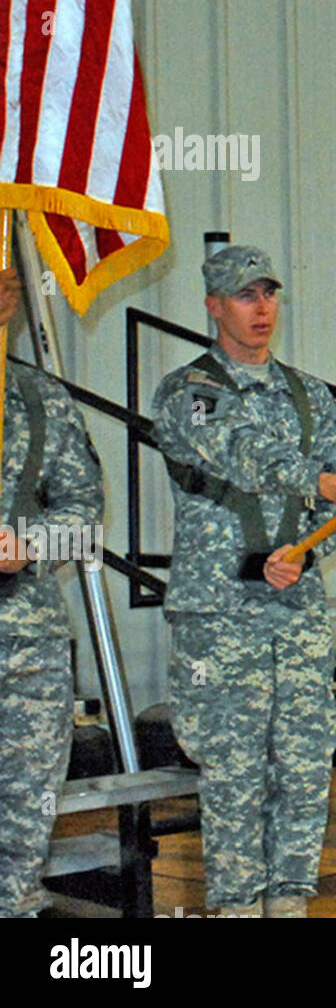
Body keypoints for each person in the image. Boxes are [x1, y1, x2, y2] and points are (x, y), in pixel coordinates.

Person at [151, 246, 336, 918]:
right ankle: (235, 906)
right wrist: (325, 483)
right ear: (213, 306)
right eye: (244, 296)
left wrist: (313, 551)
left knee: (307, 765)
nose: (261, 309)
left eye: (268, 294)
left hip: (297, 611)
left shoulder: (309, 396)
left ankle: (290, 902)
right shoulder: (189, 391)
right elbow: (243, 452)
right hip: (220, 613)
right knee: (234, 772)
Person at [0, 267, 104, 918]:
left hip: (27, 647)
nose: (1, 292)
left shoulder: (39, 398)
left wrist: (30, 542)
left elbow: (86, 519)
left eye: (7, 281)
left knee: (23, 813)